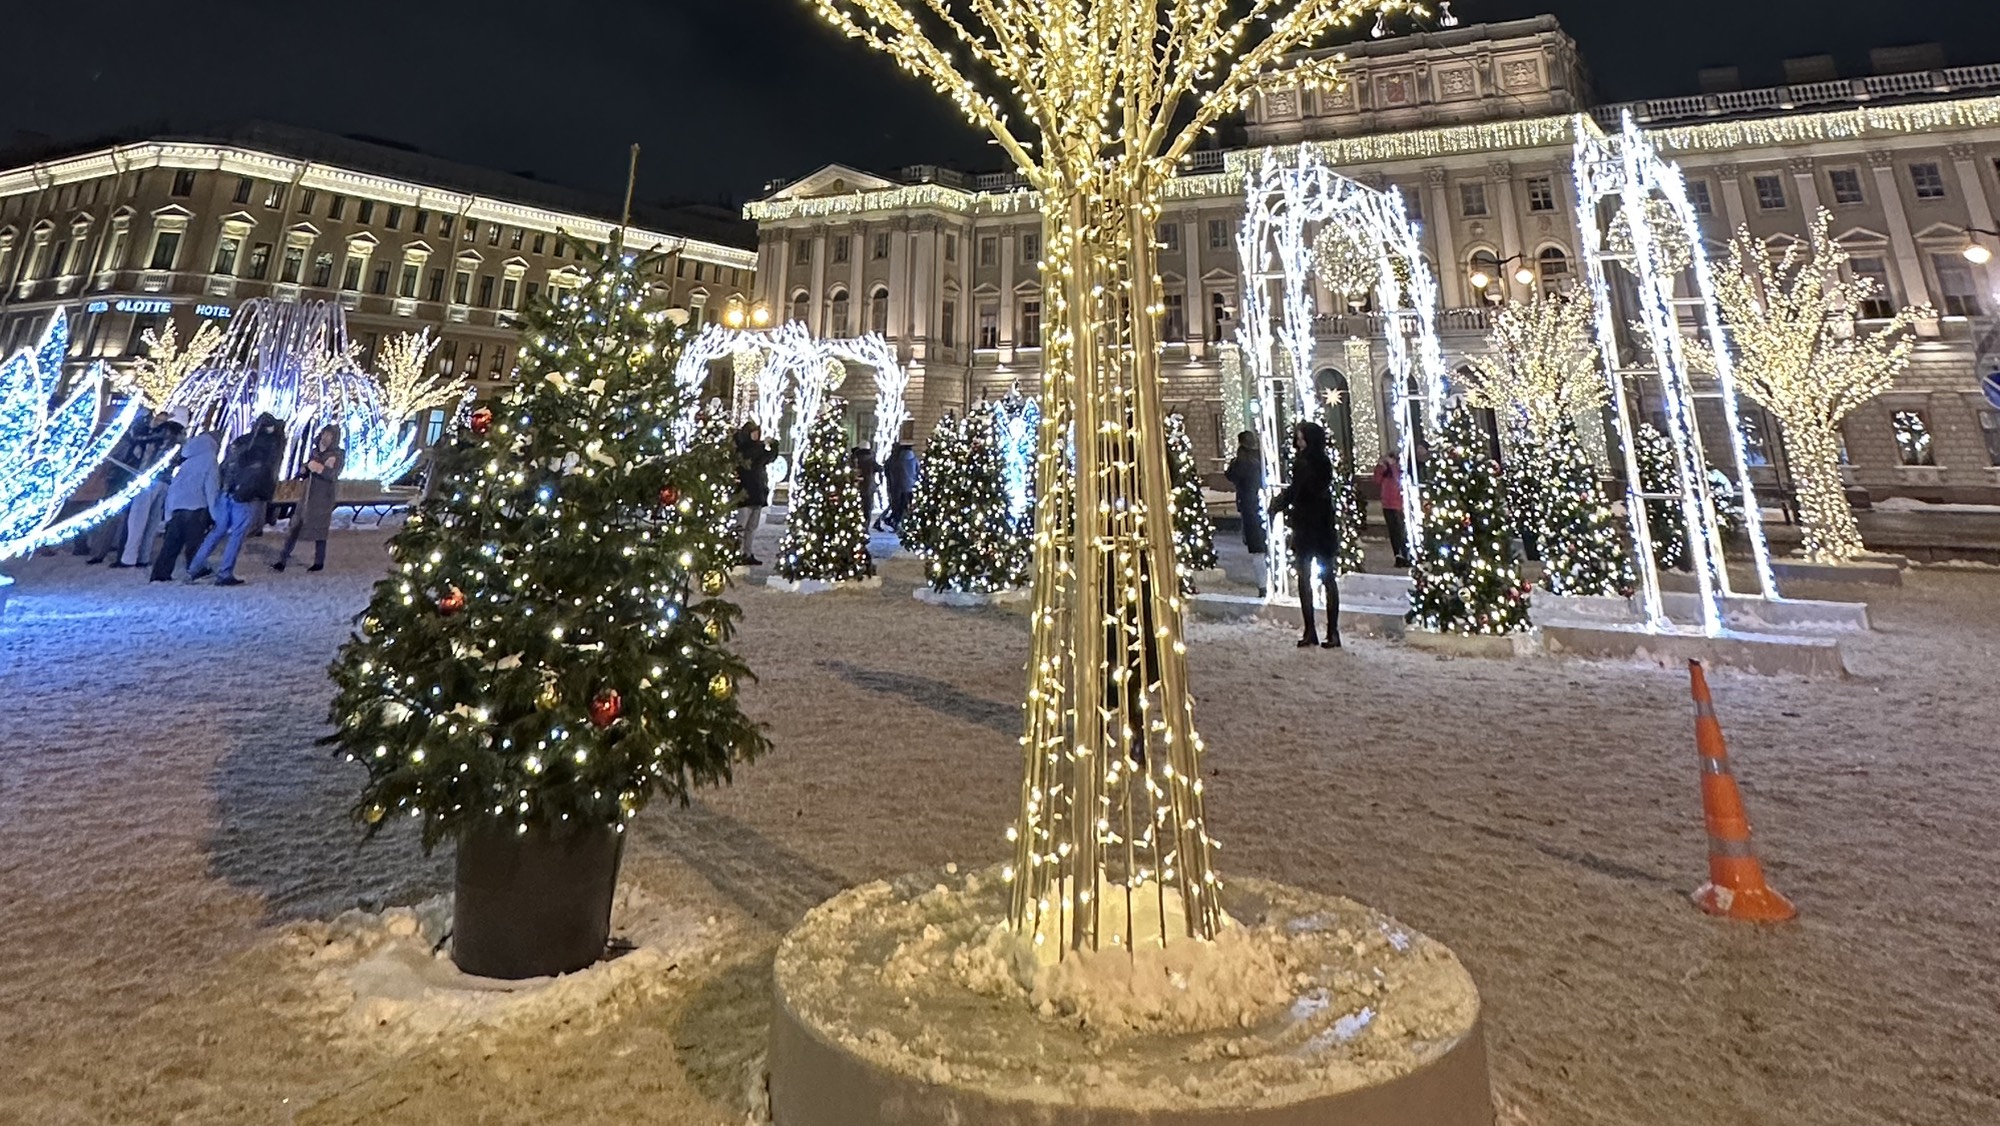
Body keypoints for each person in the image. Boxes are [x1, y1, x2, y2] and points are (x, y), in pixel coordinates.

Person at [188, 414, 285, 586]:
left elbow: (226, 465)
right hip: (245, 495)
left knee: (218, 530)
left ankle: (195, 567)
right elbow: (263, 472)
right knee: (237, 534)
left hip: (227, 491)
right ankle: (224, 573)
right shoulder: (269, 445)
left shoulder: (241, 441)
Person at [1270, 421, 1342, 649]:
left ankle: (1319, 630)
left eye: (1301, 438)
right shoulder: (1316, 461)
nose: (1298, 442)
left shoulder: (1309, 463)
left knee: (1316, 578)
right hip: (1316, 525)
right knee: (1318, 578)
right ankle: (1322, 631)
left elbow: (1298, 490)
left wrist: (1279, 503)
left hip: (1312, 526)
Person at [114, 411, 187, 568]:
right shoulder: (181, 436)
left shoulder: (165, 430)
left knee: (137, 520)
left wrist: (139, 425)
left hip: (149, 478)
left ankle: (129, 558)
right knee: (152, 522)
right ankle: (144, 557)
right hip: (166, 481)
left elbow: (138, 438)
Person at [150, 429, 222, 582]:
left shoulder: (187, 461)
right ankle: (196, 570)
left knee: (171, 543)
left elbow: (175, 486)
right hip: (196, 507)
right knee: (194, 543)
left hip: (177, 506)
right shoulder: (210, 461)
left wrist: (168, 512)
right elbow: (211, 488)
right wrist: (215, 513)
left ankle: (160, 573)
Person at [274, 424, 345, 572]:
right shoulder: (315, 452)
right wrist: (305, 469)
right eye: (324, 434)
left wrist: (319, 468)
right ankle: (282, 559)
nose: (326, 438)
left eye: (329, 435)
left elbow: (332, 475)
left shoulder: (337, 455)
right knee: (295, 526)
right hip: (306, 497)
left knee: (320, 530)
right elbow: (308, 470)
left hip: (322, 498)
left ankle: (319, 561)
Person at [733, 422, 779, 566]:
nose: (756, 436)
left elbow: (769, 457)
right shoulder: (745, 449)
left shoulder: (757, 448)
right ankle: (738, 553)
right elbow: (756, 456)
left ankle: (747, 553)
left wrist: (773, 446)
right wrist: (767, 446)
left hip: (757, 492)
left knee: (751, 527)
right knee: (742, 527)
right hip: (745, 493)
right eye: (753, 432)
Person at [1223, 431, 1266, 556]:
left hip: (1247, 494)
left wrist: (1232, 465)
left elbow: (1232, 475)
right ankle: (1260, 544)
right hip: (1258, 492)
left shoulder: (1243, 457)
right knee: (1257, 521)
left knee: (1250, 523)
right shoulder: (1259, 455)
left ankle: (1255, 546)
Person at [1374, 454, 1409, 568]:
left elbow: (1398, 479)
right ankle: (1398, 555)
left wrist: (1393, 465)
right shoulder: (1386, 472)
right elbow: (1377, 480)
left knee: (1401, 531)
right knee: (1393, 532)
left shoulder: (1398, 469)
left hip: (1397, 505)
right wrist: (1380, 466)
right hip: (1387, 505)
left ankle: (1406, 554)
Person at [881, 441, 918, 532]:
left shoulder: (895, 459)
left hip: (896, 486)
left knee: (896, 506)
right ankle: (903, 524)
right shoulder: (914, 459)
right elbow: (918, 471)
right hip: (910, 486)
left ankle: (894, 522)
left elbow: (888, 470)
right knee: (906, 506)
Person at [852, 445, 881, 533]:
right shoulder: (871, 458)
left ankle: (857, 527)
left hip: (857, 486)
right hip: (869, 486)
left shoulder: (854, 458)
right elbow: (879, 468)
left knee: (857, 507)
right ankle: (866, 527)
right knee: (867, 508)